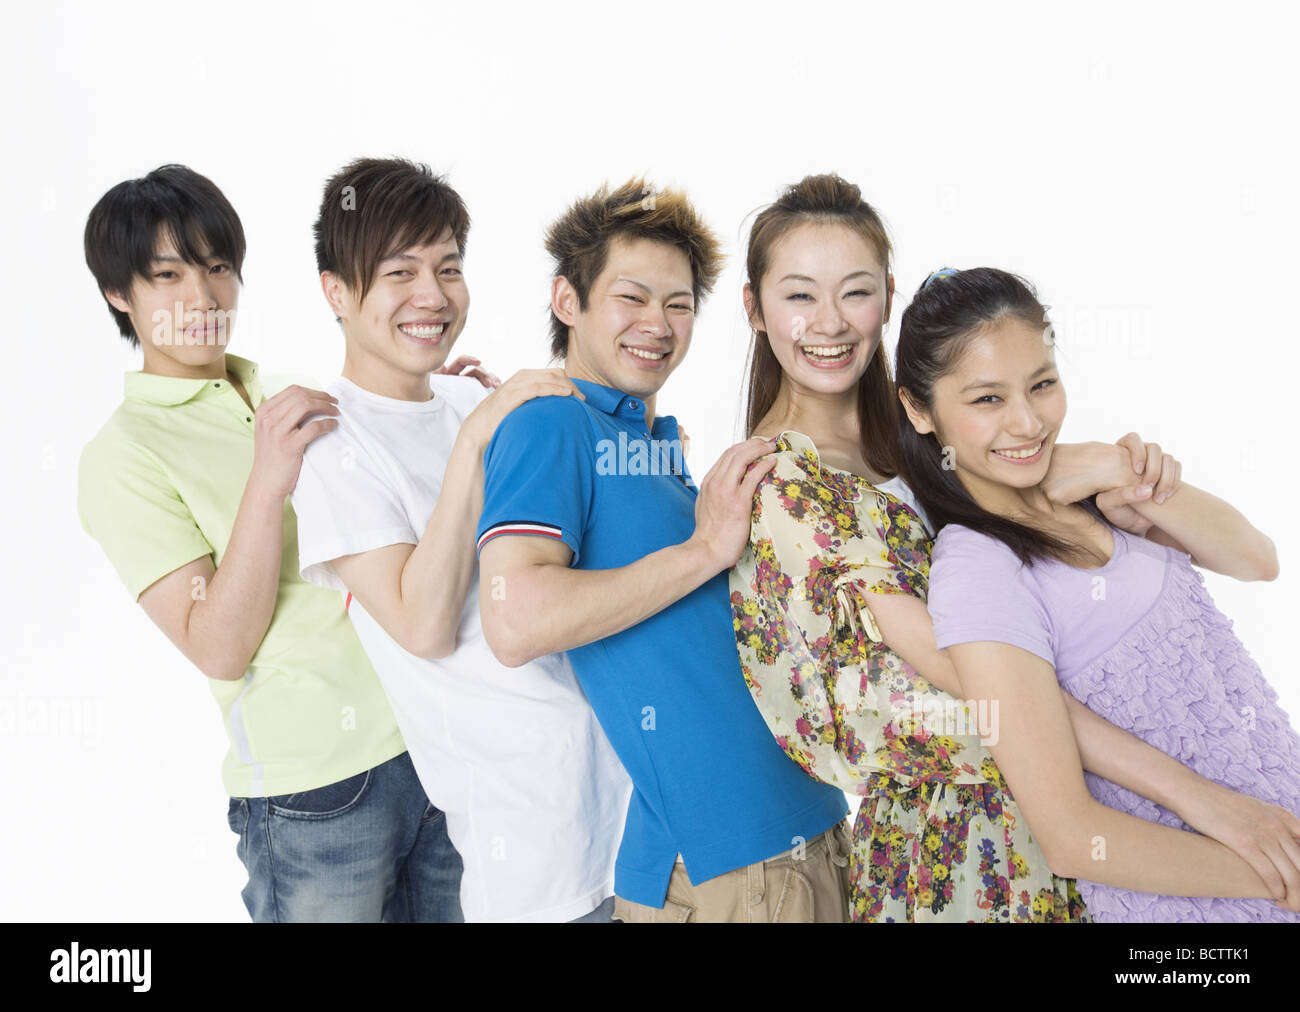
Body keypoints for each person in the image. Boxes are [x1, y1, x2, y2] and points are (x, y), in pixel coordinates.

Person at [729, 173, 1300, 921]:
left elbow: (1256, 558)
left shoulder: (930, 461)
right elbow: (970, 690)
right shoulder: (787, 489)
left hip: (1076, 835)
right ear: (754, 307)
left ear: (889, 298)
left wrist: (1097, 468)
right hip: (966, 853)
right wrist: (1198, 796)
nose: (830, 322)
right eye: (800, 294)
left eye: (856, 291)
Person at [77, 164, 461, 922]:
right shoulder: (122, 454)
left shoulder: (287, 388)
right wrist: (266, 480)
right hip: (314, 791)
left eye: (218, 268)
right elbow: (218, 646)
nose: (203, 297)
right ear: (120, 294)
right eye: (168, 275)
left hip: (431, 741)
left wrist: (445, 401)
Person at [475, 179, 853, 922]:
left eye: (678, 304)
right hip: (730, 865)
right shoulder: (552, 425)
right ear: (567, 302)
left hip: (802, 833)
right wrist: (708, 548)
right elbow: (513, 619)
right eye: (632, 297)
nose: (658, 323)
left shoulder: (653, 448)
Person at [898, 265, 1300, 921]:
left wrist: (1117, 468)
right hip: (1211, 901)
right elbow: (1073, 839)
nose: (1027, 423)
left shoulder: (1096, 498)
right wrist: (1274, 878)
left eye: (1042, 385)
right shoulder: (978, 570)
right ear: (920, 409)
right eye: (987, 400)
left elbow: (1259, 560)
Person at [288, 157, 631, 922]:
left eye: (448, 268)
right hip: (531, 839)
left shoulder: (468, 393)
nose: (432, 296)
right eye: (399, 273)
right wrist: (477, 440)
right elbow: (423, 625)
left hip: (625, 795)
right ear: (337, 291)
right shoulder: (330, 445)